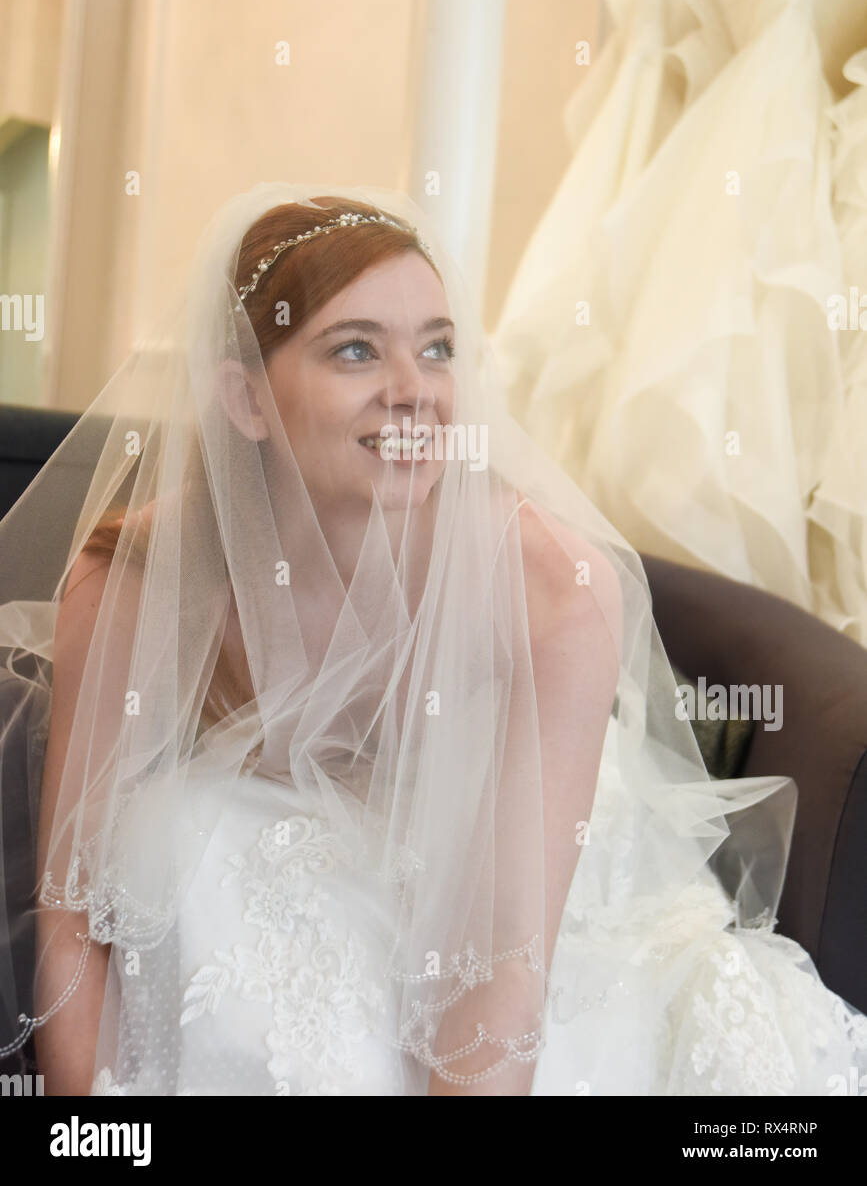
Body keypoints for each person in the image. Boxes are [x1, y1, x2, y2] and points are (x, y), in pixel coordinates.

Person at [0, 182, 864, 1096]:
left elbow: (504, 967)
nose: (414, 392)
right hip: (275, 908)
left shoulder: (551, 596)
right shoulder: (134, 582)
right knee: (181, 831)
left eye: (438, 349)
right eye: (356, 350)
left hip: (527, 908)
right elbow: (70, 916)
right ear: (244, 398)